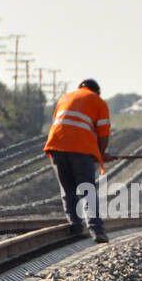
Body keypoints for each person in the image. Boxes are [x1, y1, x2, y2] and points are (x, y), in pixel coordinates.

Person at [44, 78, 111, 243]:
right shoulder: (99, 102)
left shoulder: (65, 98)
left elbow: (61, 124)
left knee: (67, 190)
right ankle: (97, 230)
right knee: (87, 189)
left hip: (56, 146)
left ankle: (75, 227)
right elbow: (103, 134)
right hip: (80, 150)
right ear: (97, 91)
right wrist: (101, 154)